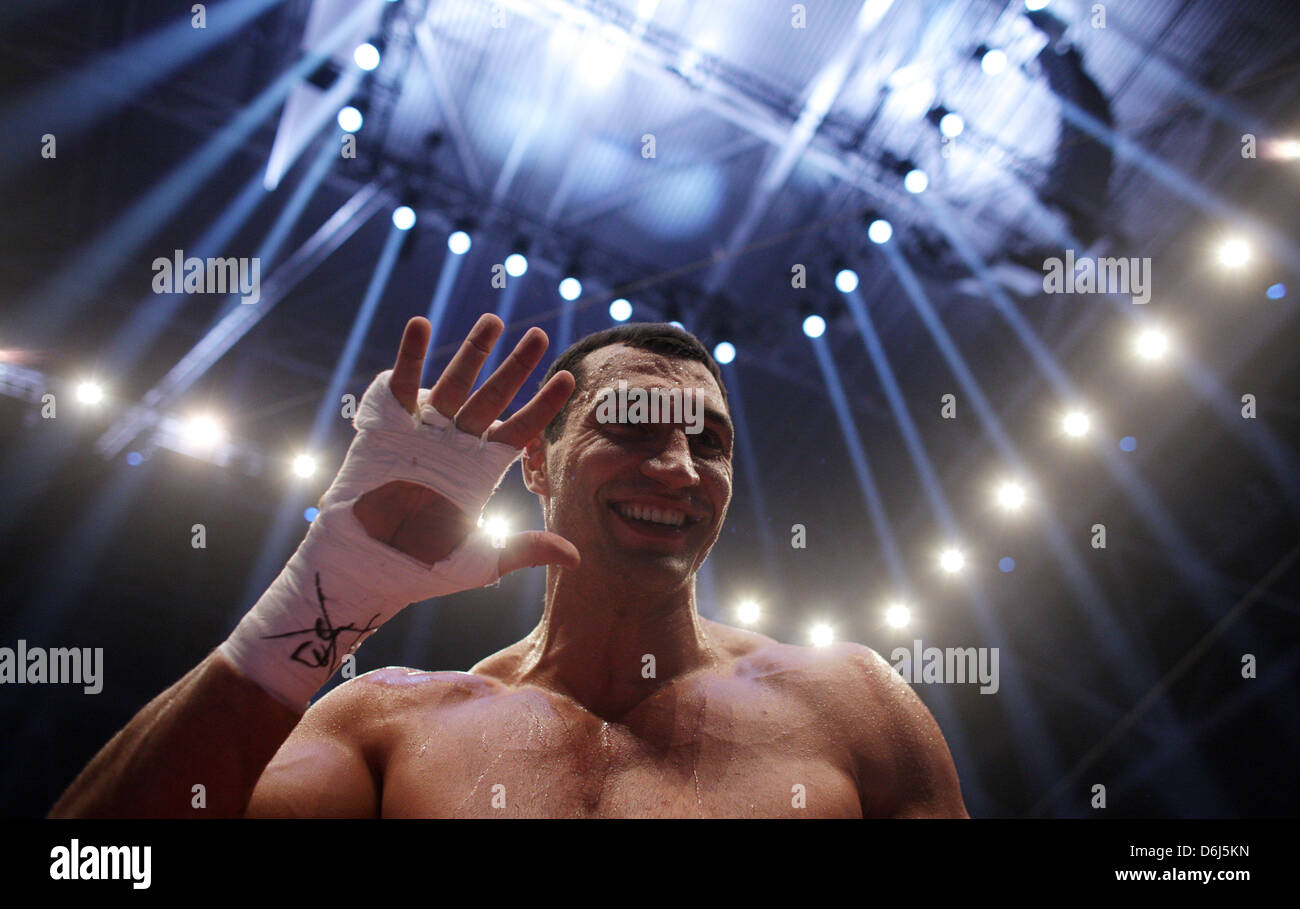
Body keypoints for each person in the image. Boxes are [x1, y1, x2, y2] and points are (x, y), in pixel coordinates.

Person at [50, 313, 968, 818]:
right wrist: (322, 592)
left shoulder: (849, 703)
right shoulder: (388, 724)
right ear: (535, 462)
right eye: (634, 429)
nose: (682, 468)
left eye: (711, 442)